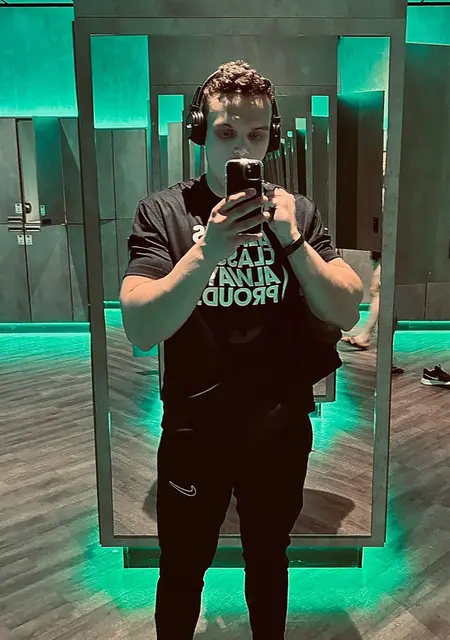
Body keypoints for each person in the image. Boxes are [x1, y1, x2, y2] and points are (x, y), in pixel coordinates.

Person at [120, 60, 363, 640]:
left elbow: (347, 307)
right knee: (182, 566)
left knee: (269, 559)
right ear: (200, 132)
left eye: (256, 135)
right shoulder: (165, 211)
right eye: (227, 133)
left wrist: (292, 239)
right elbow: (140, 325)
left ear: (271, 137)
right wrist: (208, 251)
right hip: (194, 427)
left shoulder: (297, 212)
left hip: (278, 425)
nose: (242, 149)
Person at [342, 257, 405, 374]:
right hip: (383, 253)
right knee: (382, 292)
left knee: (381, 290)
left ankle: (381, 353)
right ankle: (383, 354)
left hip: (393, 252)